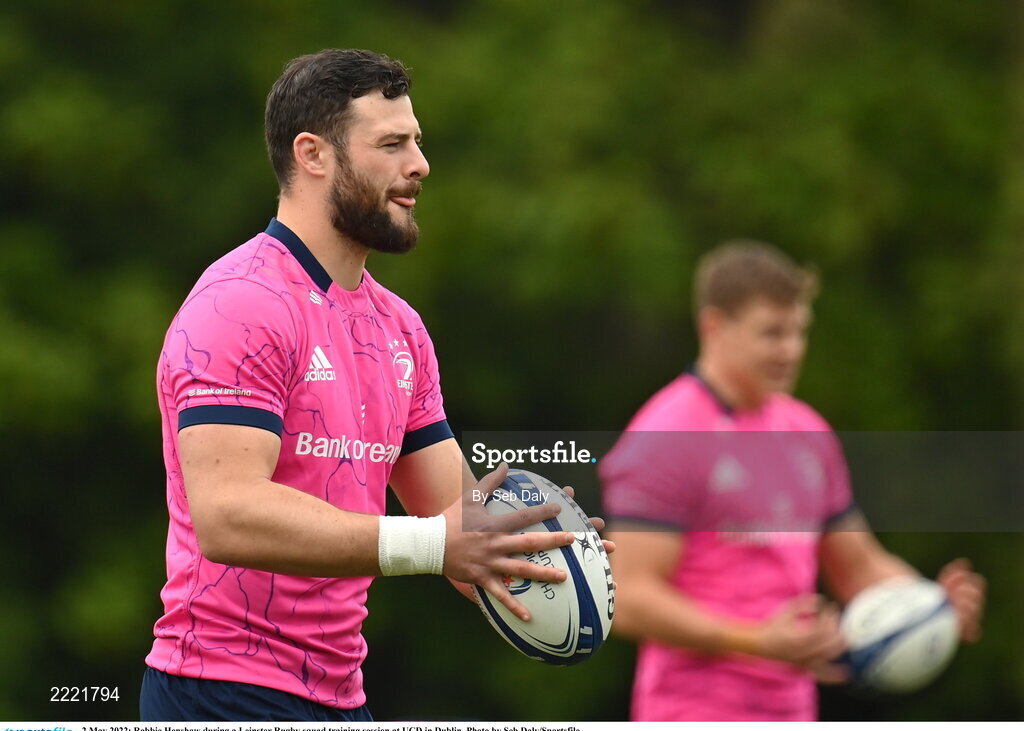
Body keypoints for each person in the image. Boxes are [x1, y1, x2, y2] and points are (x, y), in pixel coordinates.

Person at [140, 48, 607, 722]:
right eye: (391, 144)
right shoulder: (240, 302)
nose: (419, 165)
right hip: (218, 689)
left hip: (340, 695)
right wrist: (434, 542)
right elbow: (227, 514)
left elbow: (456, 520)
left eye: (416, 142)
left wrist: (533, 546)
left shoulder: (400, 328)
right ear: (313, 154)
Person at [598, 241, 986, 722]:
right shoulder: (666, 434)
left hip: (792, 711)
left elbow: (858, 567)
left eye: (799, 332)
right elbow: (626, 598)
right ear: (713, 326)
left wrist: (930, 605)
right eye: (772, 333)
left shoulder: (808, 433)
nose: (791, 350)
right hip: (692, 711)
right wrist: (756, 640)